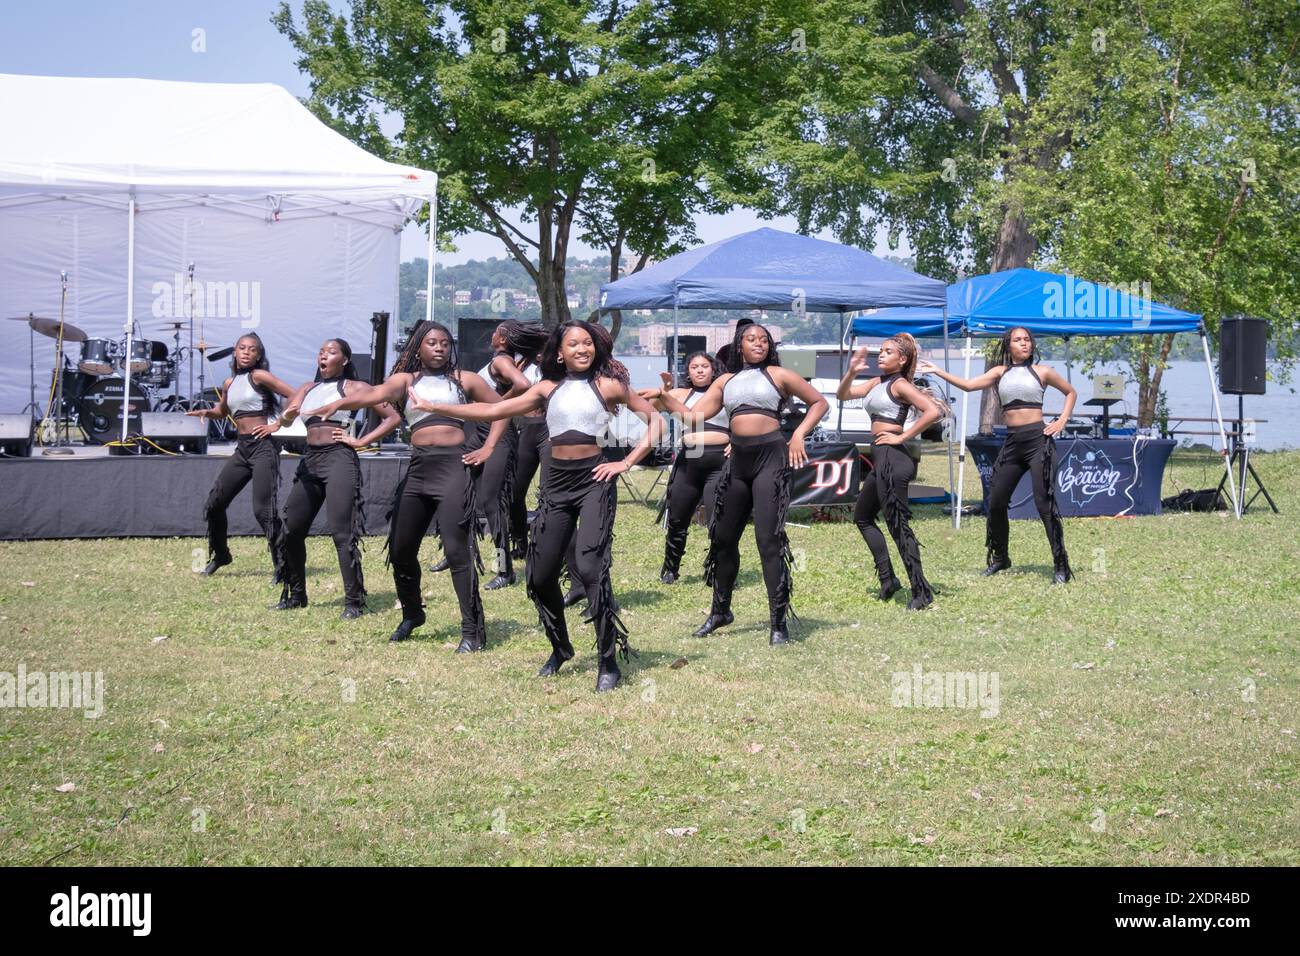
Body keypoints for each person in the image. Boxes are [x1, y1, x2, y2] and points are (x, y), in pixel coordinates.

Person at [414, 319, 663, 692]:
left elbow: (656, 421)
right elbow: (494, 412)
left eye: (587, 343)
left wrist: (626, 462)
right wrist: (434, 405)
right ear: (559, 353)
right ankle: (561, 647)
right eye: (573, 344)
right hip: (556, 486)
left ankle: (608, 661)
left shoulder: (609, 386)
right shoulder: (547, 388)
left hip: (594, 482)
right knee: (540, 576)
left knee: (592, 569)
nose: (582, 349)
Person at [302, 321, 508, 649]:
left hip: (453, 469)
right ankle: (412, 613)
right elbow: (375, 394)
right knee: (400, 549)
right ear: (418, 348)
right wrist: (341, 403)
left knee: (458, 551)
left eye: (444, 343)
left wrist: (488, 447)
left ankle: (472, 631)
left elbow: (501, 410)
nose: (439, 348)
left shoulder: (465, 379)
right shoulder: (405, 380)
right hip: (419, 470)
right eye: (432, 343)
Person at [643, 322, 829, 645]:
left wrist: (799, 433)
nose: (758, 343)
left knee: (768, 541)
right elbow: (693, 417)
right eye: (751, 339)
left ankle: (778, 623)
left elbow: (819, 403)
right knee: (722, 538)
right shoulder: (725, 381)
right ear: (739, 345)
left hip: (770, 460)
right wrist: (663, 396)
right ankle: (720, 611)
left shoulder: (779, 375)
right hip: (738, 464)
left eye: (763, 340)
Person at [919, 325, 1075, 583]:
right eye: (1018, 340)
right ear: (1008, 345)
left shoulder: (1043, 371)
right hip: (1012, 443)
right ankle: (1001, 558)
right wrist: (938, 371)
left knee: (1044, 504)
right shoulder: (999, 372)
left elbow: (1070, 392)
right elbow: (968, 386)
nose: (1024, 343)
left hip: (1039, 441)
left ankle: (1061, 565)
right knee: (995, 502)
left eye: (1027, 339)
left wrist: (1062, 420)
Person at [276, 338, 401, 618]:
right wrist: (286, 416)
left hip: (339, 459)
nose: (324, 356)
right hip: (311, 460)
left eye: (331, 352)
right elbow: (285, 421)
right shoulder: (307, 389)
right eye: (321, 352)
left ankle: (354, 602)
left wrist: (361, 441)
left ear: (344, 360)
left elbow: (392, 418)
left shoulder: (355, 387)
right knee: (291, 527)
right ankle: (296, 595)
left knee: (342, 533)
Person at [836, 335, 943, 610]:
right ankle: (888, 579)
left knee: (898, 525)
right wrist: (851, 372)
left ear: (902, 359)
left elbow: (933, 412)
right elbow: (842, 395)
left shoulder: (900, 385)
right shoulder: (877, 382)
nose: (881, 355)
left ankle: (921, 592)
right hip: (881, 457)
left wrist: (902, 436)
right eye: (881, 351)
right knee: (862, 517)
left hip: (893, 458)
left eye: (888, 352)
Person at [187, 333, 297, 580]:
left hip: (263, 448)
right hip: (243, 450)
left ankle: (283, 565)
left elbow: (294, 395)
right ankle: (221, 555)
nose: (246, 352)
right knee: (214, 504)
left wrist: (278, 424)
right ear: (235, 352)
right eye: (242, 348)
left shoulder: (259, 376)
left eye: (252, 349)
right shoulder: (229, 383)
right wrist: (207, 412)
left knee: (263, 511)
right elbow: (222, 410)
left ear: (258, 355)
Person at [643, 351, 729, 583]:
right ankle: (670, 569)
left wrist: (737, 442)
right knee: (677, 518)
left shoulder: (725, 392)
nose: (700, 370)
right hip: (689, 462)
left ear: (713, 369)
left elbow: (743, 419)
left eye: (704, 366)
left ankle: (719, 570)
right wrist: (665, 388)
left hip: (719, 461)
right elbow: (649, 410)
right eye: (694, 366)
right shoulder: (679, 394)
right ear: (688, 372)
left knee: (719, 520)